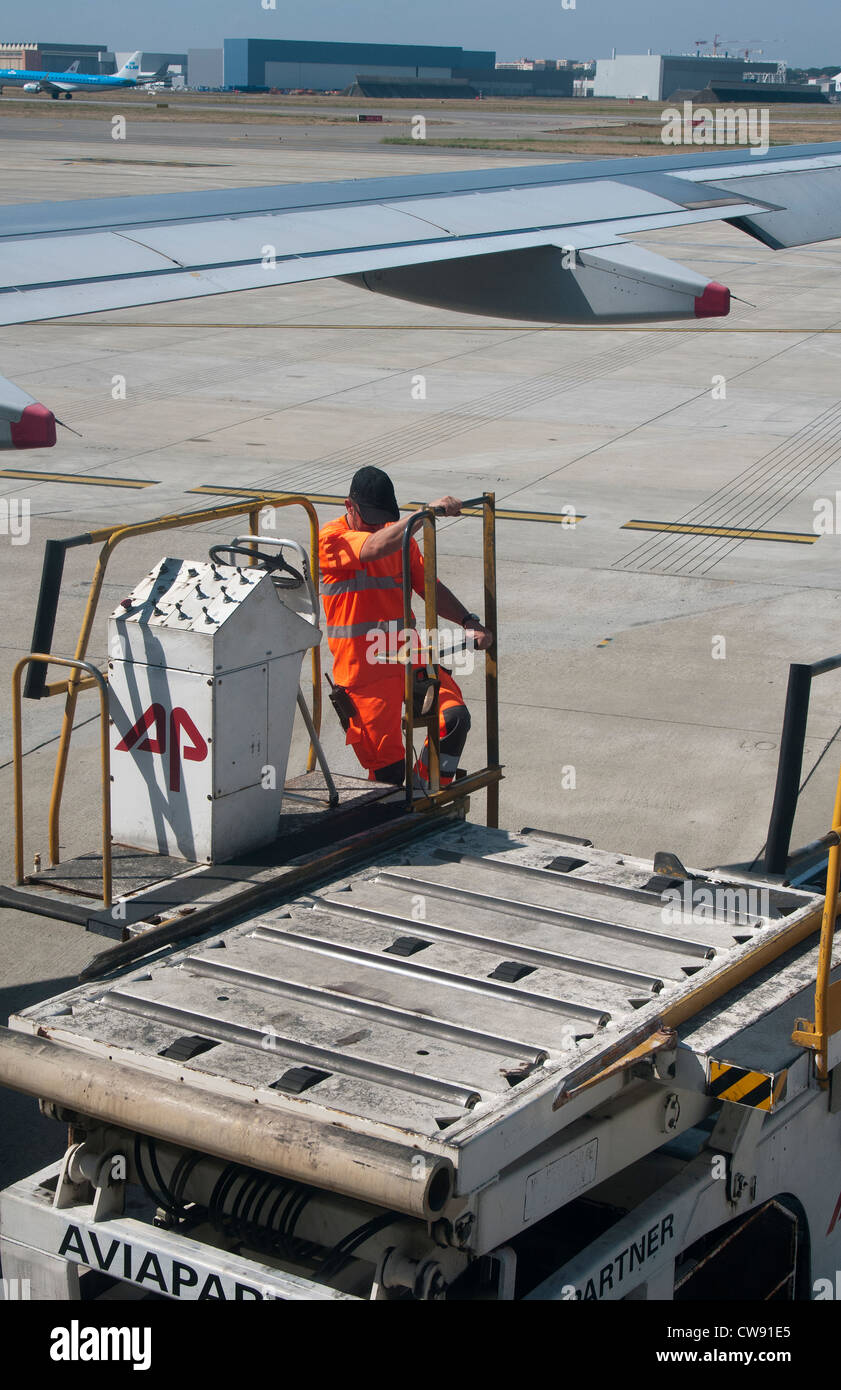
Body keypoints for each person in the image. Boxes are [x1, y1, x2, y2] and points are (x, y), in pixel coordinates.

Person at [319, 466, 493, 787]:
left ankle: (426, 793)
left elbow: (429, 587)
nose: (375, 524)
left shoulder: (397, 537)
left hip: (407, 660)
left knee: (454, 719)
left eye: (382, 518)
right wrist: (421, 517)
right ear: (349, 507)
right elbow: (373, 548)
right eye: (369, 518)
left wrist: (469, 620)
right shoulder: (332, 539)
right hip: (364, 676)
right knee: (388, 773)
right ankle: (397, 809)